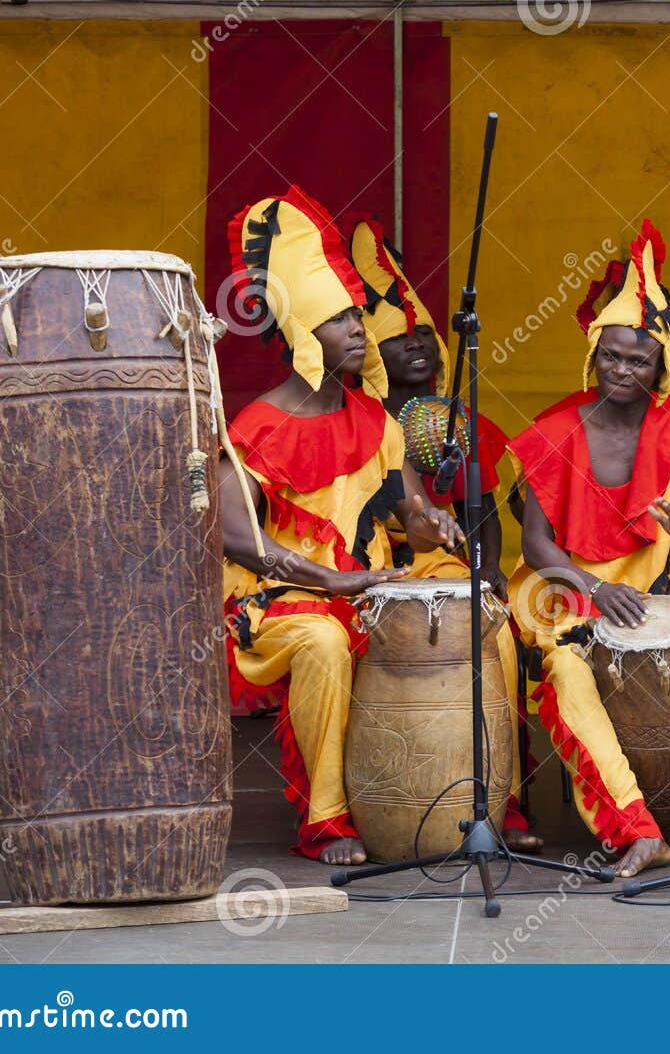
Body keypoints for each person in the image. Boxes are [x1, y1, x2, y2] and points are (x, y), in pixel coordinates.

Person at [507, 222, 670, 879]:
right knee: (568, 669)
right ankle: (636, 827)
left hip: (669, 587)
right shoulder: (553, 430)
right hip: (571, 588)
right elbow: (535, 540)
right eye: (612, 356)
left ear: (662, 366)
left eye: (639, 359)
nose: (623, 370)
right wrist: (596, 591)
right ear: (593, 355)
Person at [220, 187, 461, 866]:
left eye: (359, 318)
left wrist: (431, 521)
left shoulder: (376, 420)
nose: (359, 331)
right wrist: (331, 579)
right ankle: (327, 820)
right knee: (325, 640)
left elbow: (407, 512)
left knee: (471, 607)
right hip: (278, 605)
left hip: (367, 587)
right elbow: (236, 538)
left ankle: (468, 804)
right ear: (303, 336)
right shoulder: (256, 426)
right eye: (341, 320)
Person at [348, 214, 541, 853]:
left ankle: (502, 803)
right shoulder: (356, 422)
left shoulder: (460, 422)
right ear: (372, 352)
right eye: (400, 338)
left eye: (426, 334)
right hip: (372, 573)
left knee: (503, 645)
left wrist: (487, 585)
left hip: (452, 572)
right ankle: (363, 808)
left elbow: (482, 517)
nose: (419, 346)